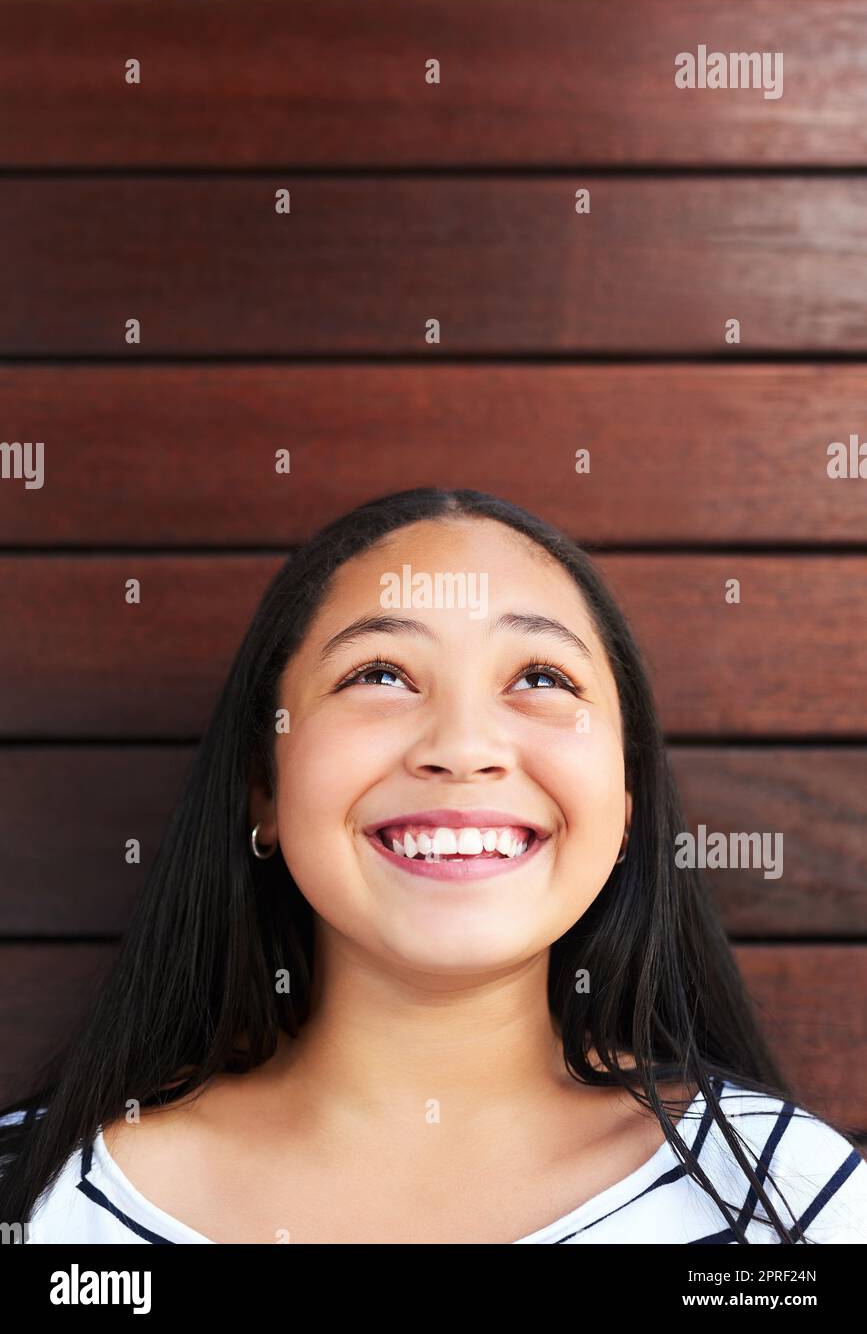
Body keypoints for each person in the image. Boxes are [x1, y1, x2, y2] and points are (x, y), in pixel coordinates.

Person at [1, 487, 865, 1244]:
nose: (462, 749)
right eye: (379, 673)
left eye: (541, 677)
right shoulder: (34, 1200)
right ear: (263, 784)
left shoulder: (787, 1208)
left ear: (627, 801)